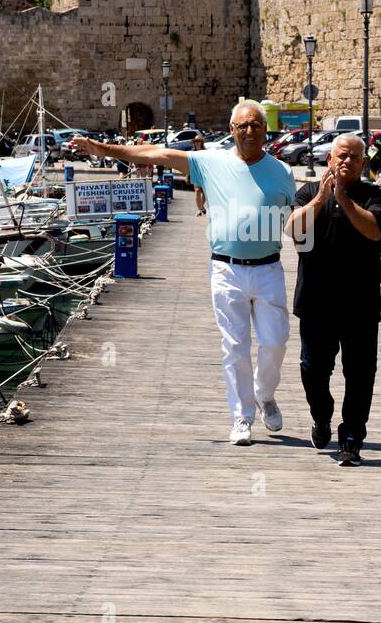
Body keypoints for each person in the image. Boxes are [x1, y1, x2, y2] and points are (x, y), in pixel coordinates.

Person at [73, 101, 296, 446]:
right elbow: (155, 155)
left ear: (265, 129)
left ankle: (264, 394)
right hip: (227, 269)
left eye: (256, 125)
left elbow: (295, 218)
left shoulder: (282, 170)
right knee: (235, 346)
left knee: (275, 342)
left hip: (268, 268)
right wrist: (101, 148)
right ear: (232, 129)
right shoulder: (211, 163)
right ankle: (242, 416)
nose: (249, 131)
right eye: (243, 126)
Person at [286, 134, 381, 467]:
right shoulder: (307, 193)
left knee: (360, 375)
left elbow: (375, 231)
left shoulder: (376, 195)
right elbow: (294, 230)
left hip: (359, 306)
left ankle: (351, 438)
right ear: (329, 159)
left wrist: (344, 200)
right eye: (340, 156)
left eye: (354, 158)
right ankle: (322, 415)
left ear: (363, 164)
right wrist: (321, 198)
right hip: (316, 304)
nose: (346, 162)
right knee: (312, 370)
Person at [191, 135, 207, 215]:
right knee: (197, 191)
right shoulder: (192, 153)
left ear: (201, 143)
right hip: (195, 173)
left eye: (199, 141)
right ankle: (199, 210)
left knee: (204, 192)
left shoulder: (205, 152)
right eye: (196, 141)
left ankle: (201, 207)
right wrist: (187, 175)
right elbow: (190, 165)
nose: (197, 143)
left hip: (204, 174)